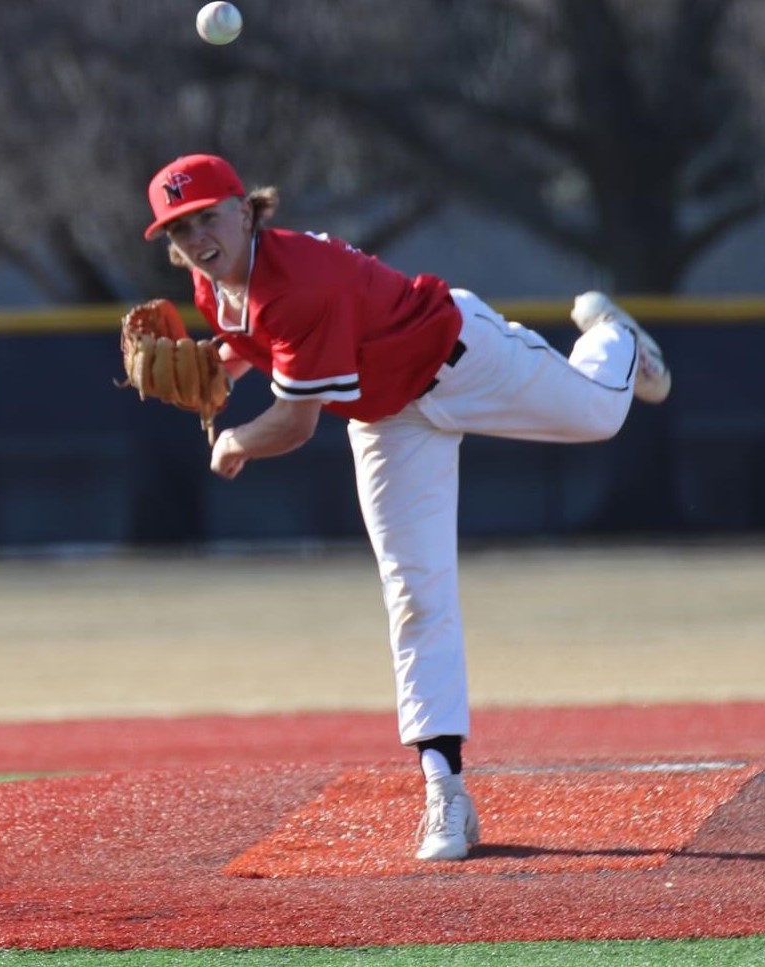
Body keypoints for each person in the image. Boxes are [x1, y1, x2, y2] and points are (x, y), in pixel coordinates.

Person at [142, 154, 673, 861]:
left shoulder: (294, 282)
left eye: (207, 216)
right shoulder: (214, 291)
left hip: (461, 354)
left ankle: (614, 337)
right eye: (178, 229)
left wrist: (234, 439)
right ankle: (444, 793)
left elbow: (294, 424)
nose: (196, 239)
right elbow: (252, 341)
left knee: (600, 416)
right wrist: (222, 363)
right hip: (387, 416)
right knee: (414, 592)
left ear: (245, 210)